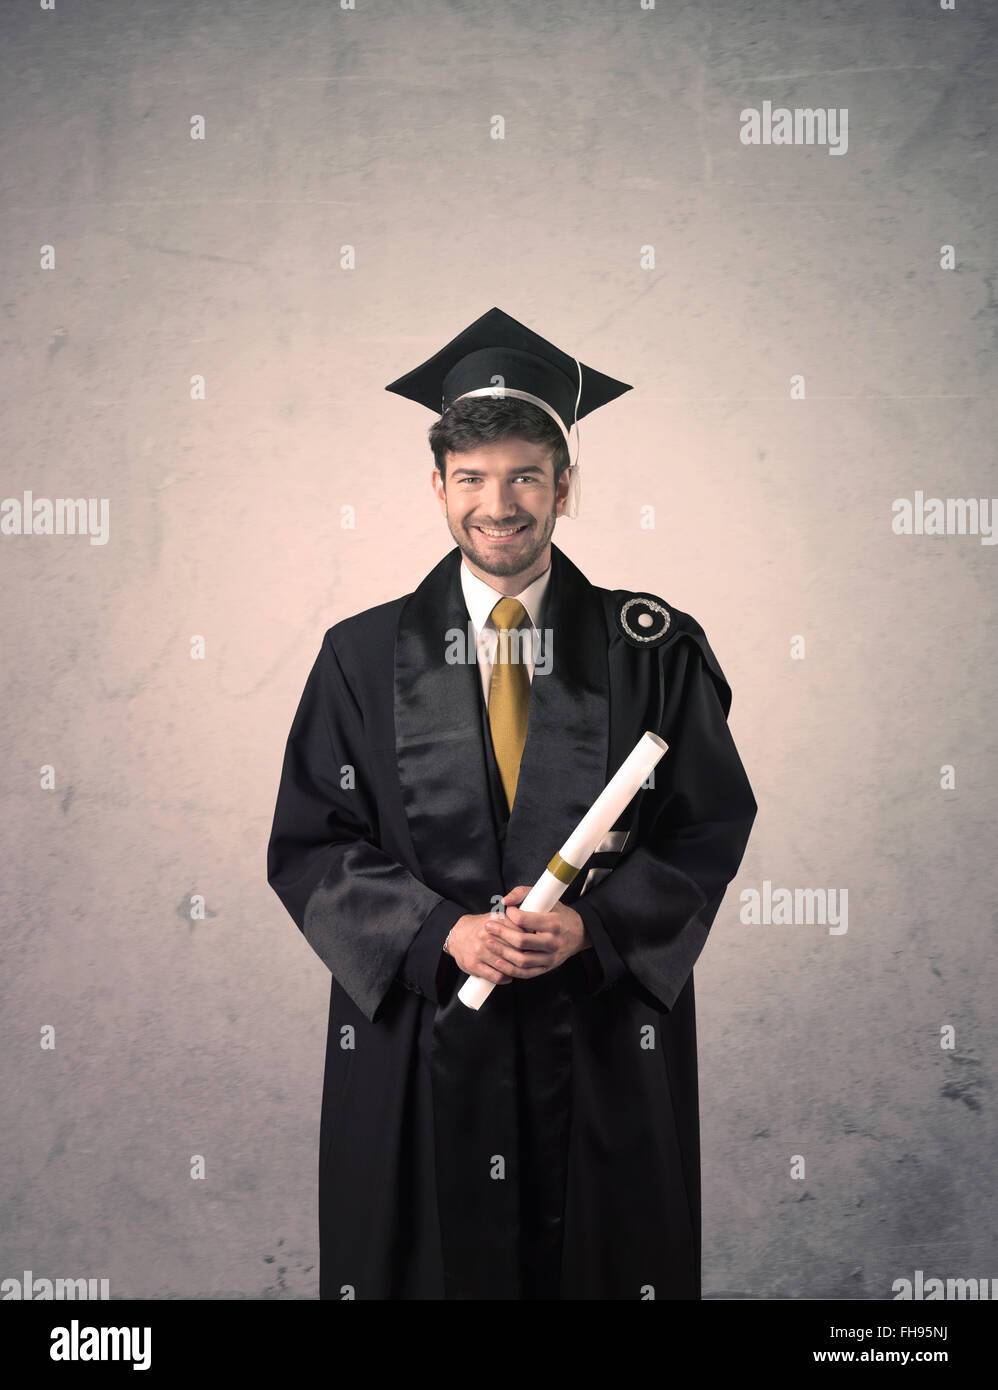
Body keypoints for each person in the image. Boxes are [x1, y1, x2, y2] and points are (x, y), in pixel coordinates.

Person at [266, 307, 758, 1300]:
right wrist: (440, 934)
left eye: (525, 476)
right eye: (473, 478)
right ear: (436, 486)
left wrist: (594, 928)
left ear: (564, 487)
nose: (499, 504)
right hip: (423, 1037)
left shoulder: (651, 648)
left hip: (596, 1040)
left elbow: (704, 825)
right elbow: (313, 842)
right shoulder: (358, 658)